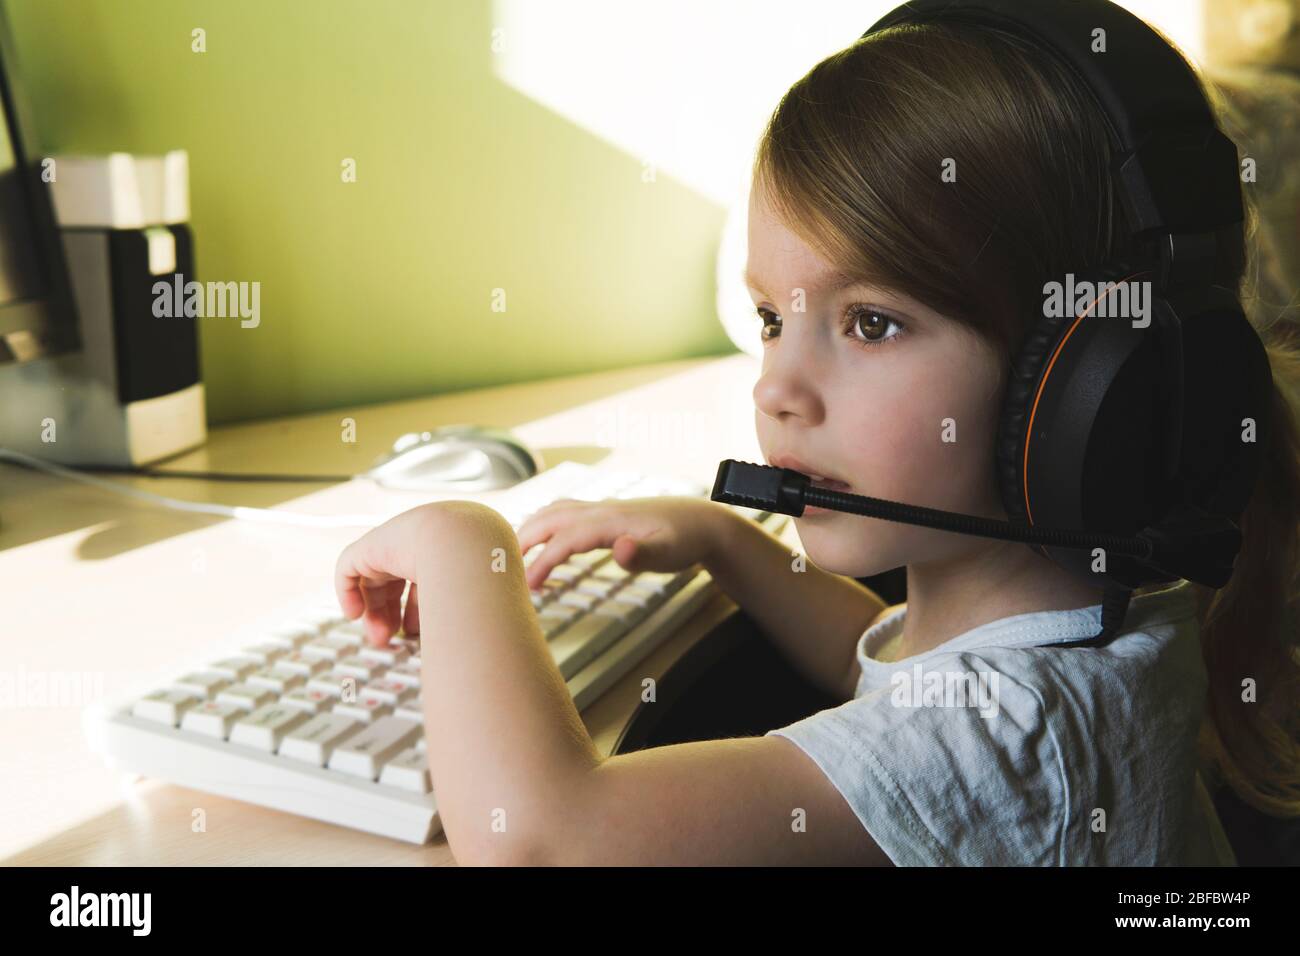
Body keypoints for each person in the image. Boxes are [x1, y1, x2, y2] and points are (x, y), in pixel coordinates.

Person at [333, 15, 1300, 865]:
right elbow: (876, 662)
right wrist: (724, 542)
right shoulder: (1085, 616)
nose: (776, 387)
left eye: (870, 322)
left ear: (1090, 386)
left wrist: (466, 548)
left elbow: (543, 839)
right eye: (770, 317)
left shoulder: (1008, 735)